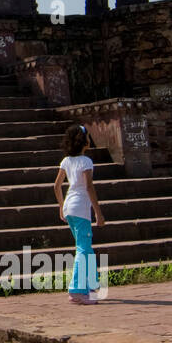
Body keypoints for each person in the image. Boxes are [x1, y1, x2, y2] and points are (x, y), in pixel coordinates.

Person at [53, 124, 106, 305]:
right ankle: (77, 290)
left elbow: (56, 186)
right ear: (83, 141)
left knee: (85, 247)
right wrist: (98, 213)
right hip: (81, 208)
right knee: (83, 249)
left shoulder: (66, 161)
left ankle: (90, 285)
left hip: (69, 206)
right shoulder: (86, 161)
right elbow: (89, 187)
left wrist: (61, 206)